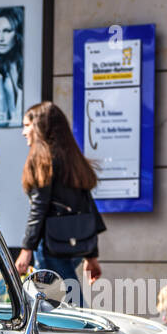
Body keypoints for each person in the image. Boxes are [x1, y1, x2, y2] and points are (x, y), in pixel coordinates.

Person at [14, 101, 104, 291]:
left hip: (51, 245)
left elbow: (38, 208)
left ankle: (84, 322)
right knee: (54, 301)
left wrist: (26, 249)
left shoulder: (42, 159)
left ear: (39, 127)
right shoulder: (72, 158)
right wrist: (91, 256)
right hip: (76, 243)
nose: (24, 132)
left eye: (27, 126)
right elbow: (87, 205)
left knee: (69, 302)